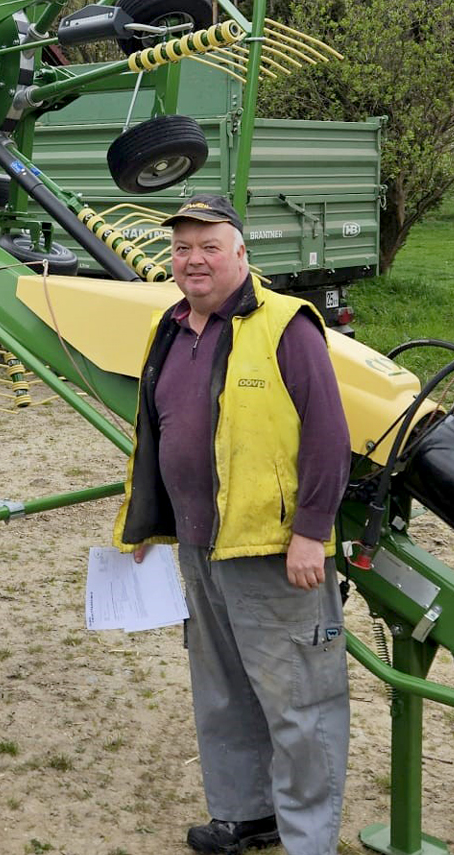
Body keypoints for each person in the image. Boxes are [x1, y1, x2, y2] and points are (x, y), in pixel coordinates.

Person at [112, 194, 353, 855]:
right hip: (200, 545)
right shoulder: (172, 325)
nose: (194, 259)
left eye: (208, 246)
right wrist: (147, 524)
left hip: (274, 550)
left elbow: (330, 436)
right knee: (222, 692)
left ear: (240, 253)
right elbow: (160, 433)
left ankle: (308, 840)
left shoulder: (285, 325)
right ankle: (246, 814)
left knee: (300, 703)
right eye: (182, 247)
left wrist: (311, 530)